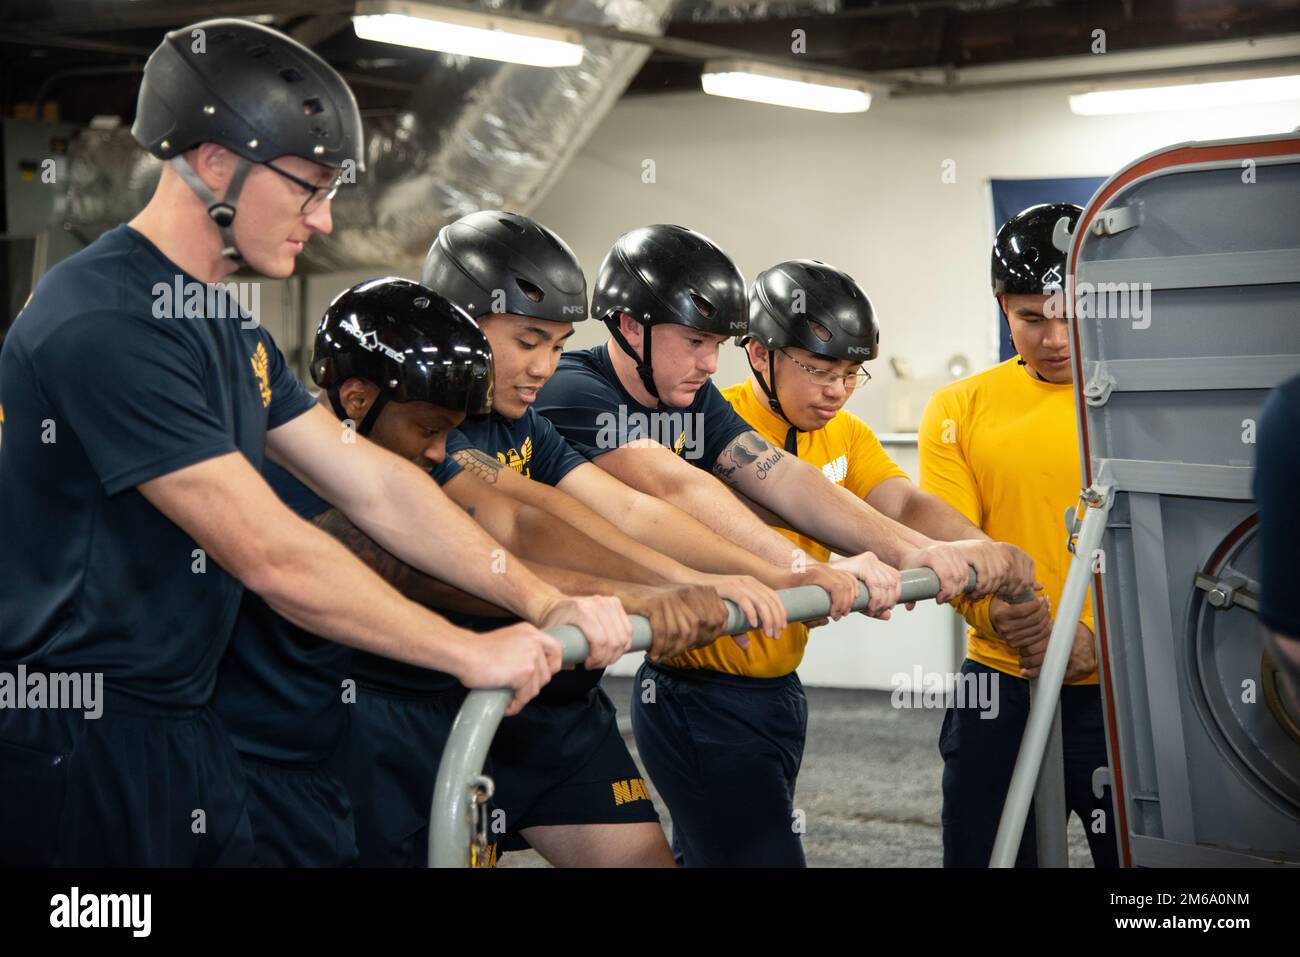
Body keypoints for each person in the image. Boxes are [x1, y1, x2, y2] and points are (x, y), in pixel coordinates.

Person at [0, 19, 624, 867]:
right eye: (307, 187)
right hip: (81, 738)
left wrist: (538, 600)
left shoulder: (227, 327)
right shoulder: (109, 320)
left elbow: (372, 482)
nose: (325, 220)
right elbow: (270, 551)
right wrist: (465, 650)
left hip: (182, 726)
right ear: (215, 161)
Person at [623, 258, 1036, 865]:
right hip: (695, 693)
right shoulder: (708, 422)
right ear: (760, 356)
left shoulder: (846, 435)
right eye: (818, 370)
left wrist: (980, 551)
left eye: (850, 374)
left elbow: (904, 501)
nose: (835, 391)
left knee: (719, 854)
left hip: (779, 688)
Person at [919, 202, 1118, 867]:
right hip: (1003, 681)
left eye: (1069, 314)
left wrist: (1101, 644)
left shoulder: (1142, 403)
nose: (1055, 338)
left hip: (1129, 691)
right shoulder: (958, 408)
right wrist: (1012, 615)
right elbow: (952, 540)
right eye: (1032, 318)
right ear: (1004, 307)